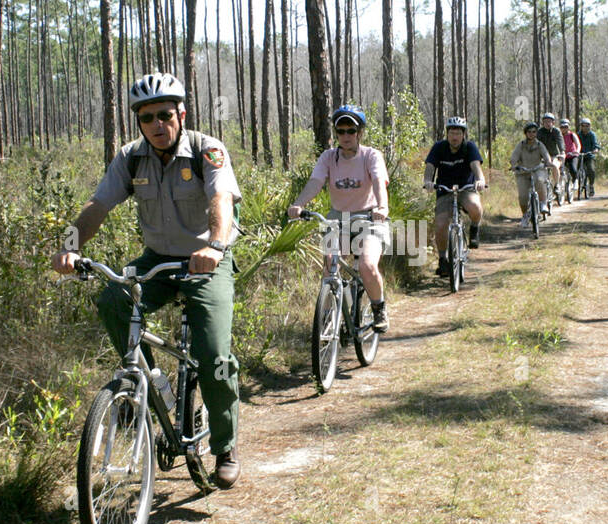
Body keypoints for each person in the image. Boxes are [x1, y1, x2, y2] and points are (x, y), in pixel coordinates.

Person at [52, 72, 244, 489]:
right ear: (138, 121)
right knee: (112, 300)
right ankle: (149, 384)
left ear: (181, 114)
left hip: (207, 259)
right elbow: (98, 204)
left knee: (212, 354)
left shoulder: (206, 150)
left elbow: (220, 199)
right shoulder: (130, 157)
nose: (157, 125)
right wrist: (69, 246)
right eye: (147, 118)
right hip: (158, 259)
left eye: (165, 115)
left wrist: (213, 246)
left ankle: (225, 446)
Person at [287, 105, 392, 332]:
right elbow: (315, 182)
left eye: (351, 130)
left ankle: (378, 307)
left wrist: (382, 207)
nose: (346, 136)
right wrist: (298, 204)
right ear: (335, 133)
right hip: (337, 219)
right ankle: (329, 315)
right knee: (330, 266)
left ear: (360, 132)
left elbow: (378, 182)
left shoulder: (371, 156)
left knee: (366, 265)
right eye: (341, 130)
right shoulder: (328, 157)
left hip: (369, 217)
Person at [423, 116, 486, 277]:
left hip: (466, 188)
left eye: (458, 133)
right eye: (452, 133)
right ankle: (443, 259)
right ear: (447, 134)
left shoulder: (469, 147)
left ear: (463, 134)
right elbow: (430, 166)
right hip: (445, 190)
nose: (455, 137)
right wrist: (428, 181)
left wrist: (480, 179)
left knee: (475, 206)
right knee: (440, 224)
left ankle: (474, 228)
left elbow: (475, 165)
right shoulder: (439, 147)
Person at [510, 121, 553, 227]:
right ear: (526, 133)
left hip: (537, 170)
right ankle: (525, 215)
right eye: (529, 132)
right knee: (523, 196)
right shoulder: (521, 145)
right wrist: (514, 165)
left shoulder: (539, 144)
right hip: (523, 172)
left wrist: (548, 162)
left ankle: (543, 203)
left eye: (534, 132)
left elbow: (546, 155)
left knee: (539, 180)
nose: (532, 134)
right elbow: (514, 157)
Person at [536, 112, 565, 204]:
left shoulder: (556, 131)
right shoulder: (539, 132)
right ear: (543, 123)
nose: (547, 123)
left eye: (549, 121)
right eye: (545, 122)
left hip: (555, 156)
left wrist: (562, 152)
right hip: (543, 157)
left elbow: (560, 143)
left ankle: (557, 185)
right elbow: (536, 144)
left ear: (553, 122)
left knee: (555, 166)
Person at [576, 118, 600, 196]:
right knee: (574, 167)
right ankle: (575, 184)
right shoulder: (578, 134)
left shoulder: (592, 135)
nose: (585, 127)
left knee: (591, 169)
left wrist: (595, 150)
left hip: (589, 155)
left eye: (587, 126)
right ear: (581, 126)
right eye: (583, 126)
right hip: (580, 155)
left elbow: (596, 145)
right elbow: (574, 144)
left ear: (589, 126)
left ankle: (591, 185)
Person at [561, 118, 582, 196]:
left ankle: (575, 180)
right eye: (562, 127)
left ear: (568, 127)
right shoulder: (559, 135)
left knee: (573, 168)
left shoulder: (572, 135)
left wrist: (577, 151)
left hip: (573, 155)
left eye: (566, 127)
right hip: (563, 156)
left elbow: (578, 144)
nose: (564, 129)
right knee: (560, 170)